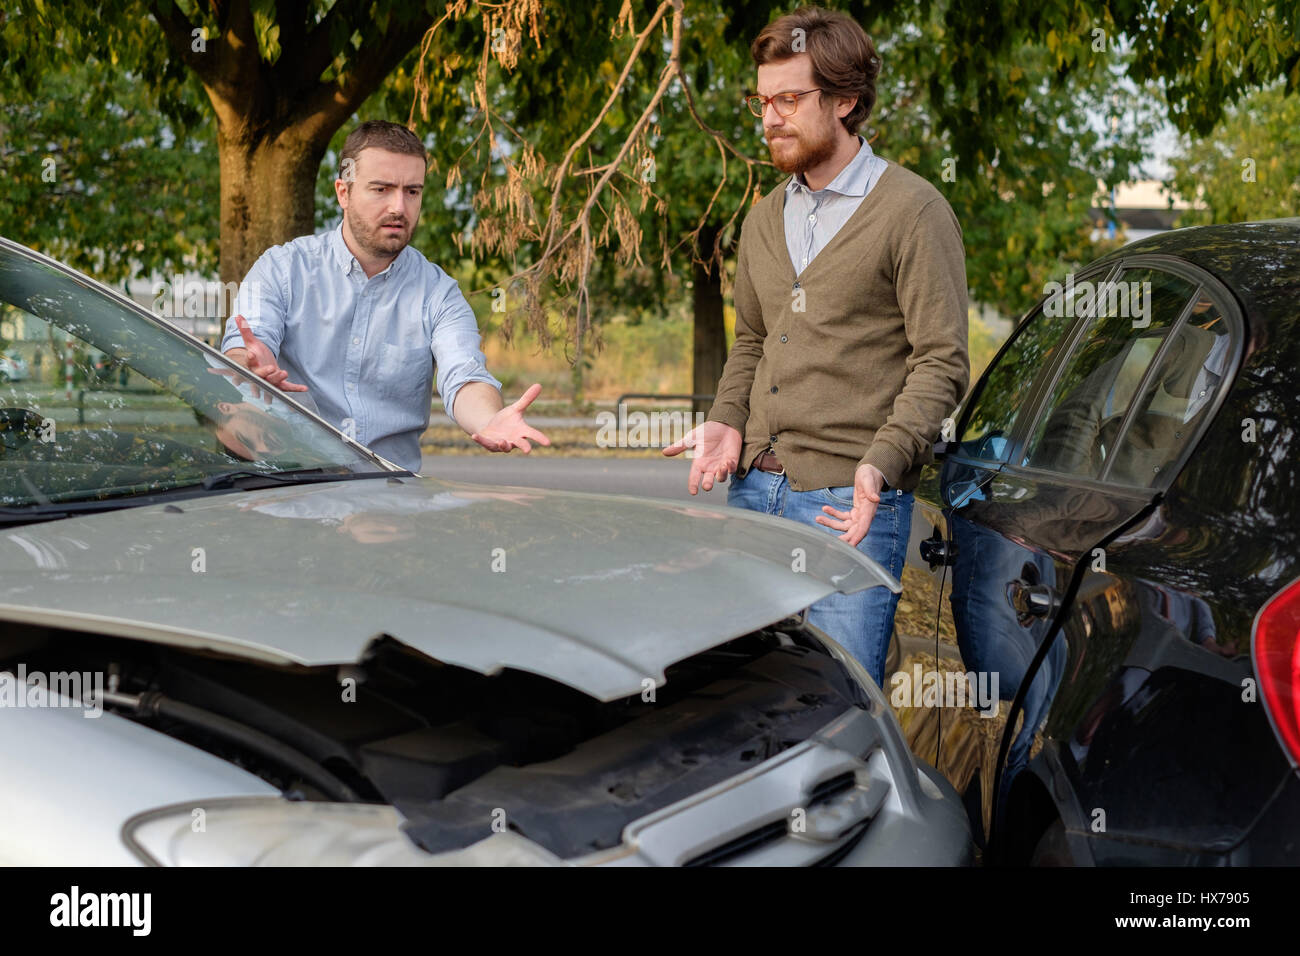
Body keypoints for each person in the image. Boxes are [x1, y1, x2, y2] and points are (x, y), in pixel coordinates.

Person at [664, 6, 969, 685]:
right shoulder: (764, 219)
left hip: (845, 505)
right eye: (763, 101)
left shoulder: (913, 213)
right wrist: (725, 419)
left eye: (790, 99)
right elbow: (750, 342)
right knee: (740, 699)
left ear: (846, 100)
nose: (771, 117)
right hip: (752, 495)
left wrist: (882, 464)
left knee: (841, 707)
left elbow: (942, 362)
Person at [219, 120, 549, 473]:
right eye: (381, 189)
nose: (399, 207)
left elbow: (464, 375)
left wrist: (487, 419)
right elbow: (247, 345)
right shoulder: (281, 269)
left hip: (387, 503)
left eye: (412, 191)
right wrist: (247, 366)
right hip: (287, 490)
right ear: (343, 192)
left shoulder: (439, 295)